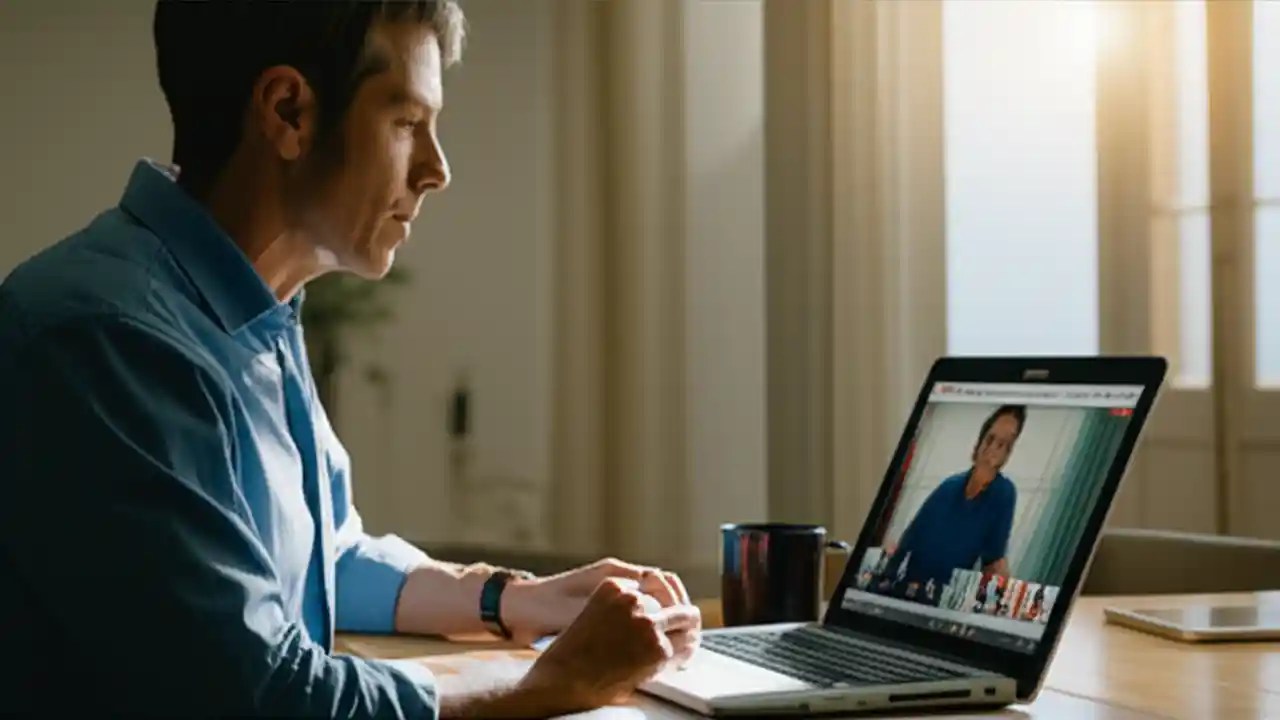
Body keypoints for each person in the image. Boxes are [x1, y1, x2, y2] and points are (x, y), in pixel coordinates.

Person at [0, 2, 700, 717]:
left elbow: (322, 556)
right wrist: (546, 683)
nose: (437, 169)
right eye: (406, 123)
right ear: (288, 111)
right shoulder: (107, 339)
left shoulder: (252, 309)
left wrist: (514, 600)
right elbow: (261, 695)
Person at [879, 405, 1024, 601]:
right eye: (990, 440)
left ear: (1008, 455)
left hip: (943, 598)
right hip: (906, 589)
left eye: (1004, 445)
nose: (993, 450)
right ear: (978, 444)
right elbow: (908, 540)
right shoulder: (948, 487)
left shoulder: (1004, 493)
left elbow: (994, 561)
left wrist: (1009, 600)